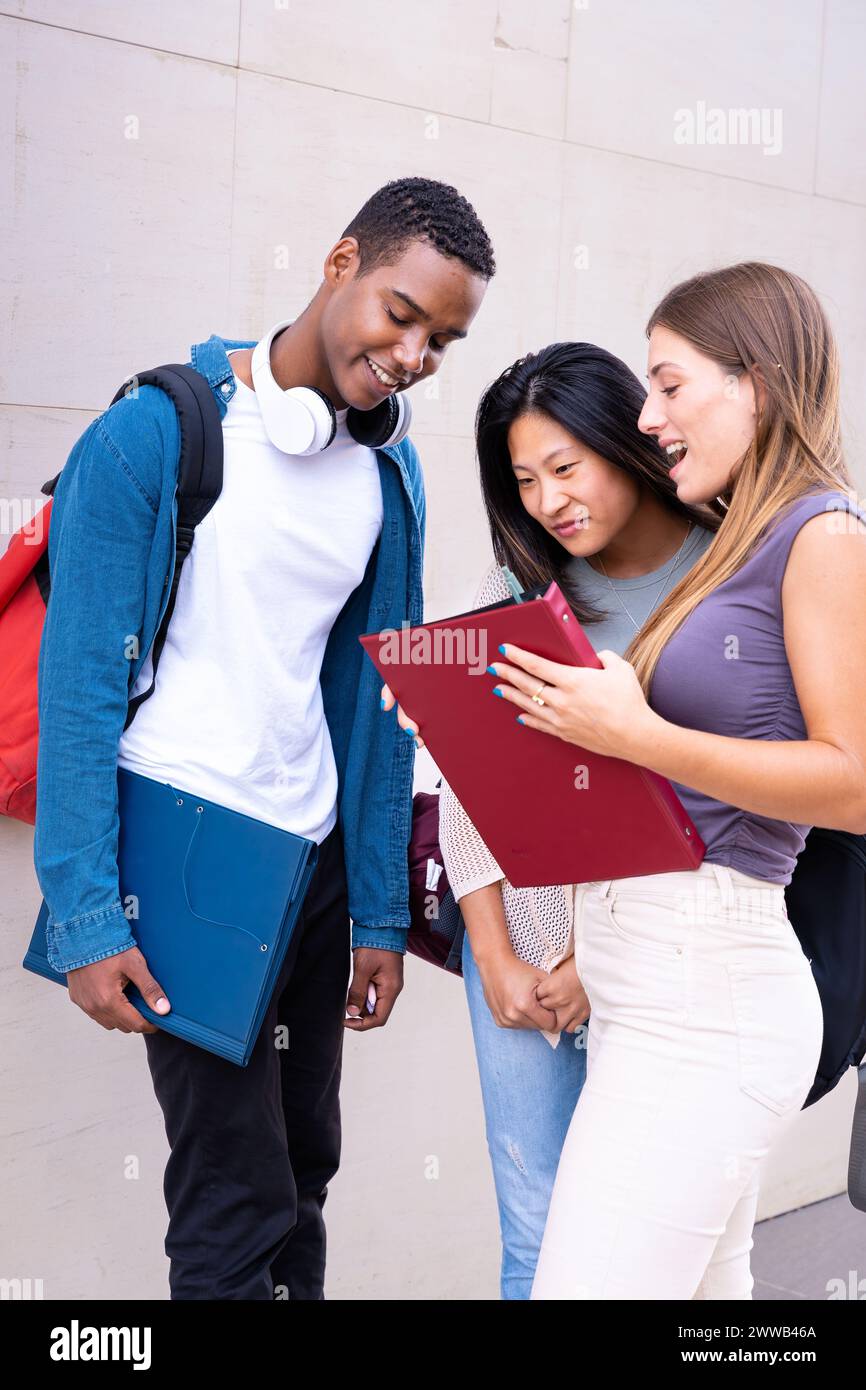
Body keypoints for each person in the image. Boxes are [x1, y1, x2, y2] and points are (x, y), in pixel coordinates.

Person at [33, 176, 494, 1299]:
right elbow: (80, 688)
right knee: (233, 1195)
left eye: (444, 338)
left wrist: (378, 909)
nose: (415, 353)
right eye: (402, 312)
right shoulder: (158, 431)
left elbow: (384, 700)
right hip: (188, 855)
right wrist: (90, 914)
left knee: (303, 1173)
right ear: (339, 262)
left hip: (315, 860)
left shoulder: (387, 470)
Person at [486, 263, 866, 1299]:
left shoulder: (821, 533)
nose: (647, 418)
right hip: (647, 988)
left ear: (756, 383)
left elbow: (852, 782)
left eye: (667, 384)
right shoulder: (741, 539)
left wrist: (636, 730)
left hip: (707, 996)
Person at [390, 340, 721, 1299]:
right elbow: (465, 791)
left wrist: (596, 963)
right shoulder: (511, 602)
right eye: (524, 479)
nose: (547, 501)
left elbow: (725, 800)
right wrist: (490, 954)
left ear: (627, 441)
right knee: (536, 1240)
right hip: (522, 961)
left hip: (663, 961)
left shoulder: (720, 585)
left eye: (565, 468)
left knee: (648, 1253)